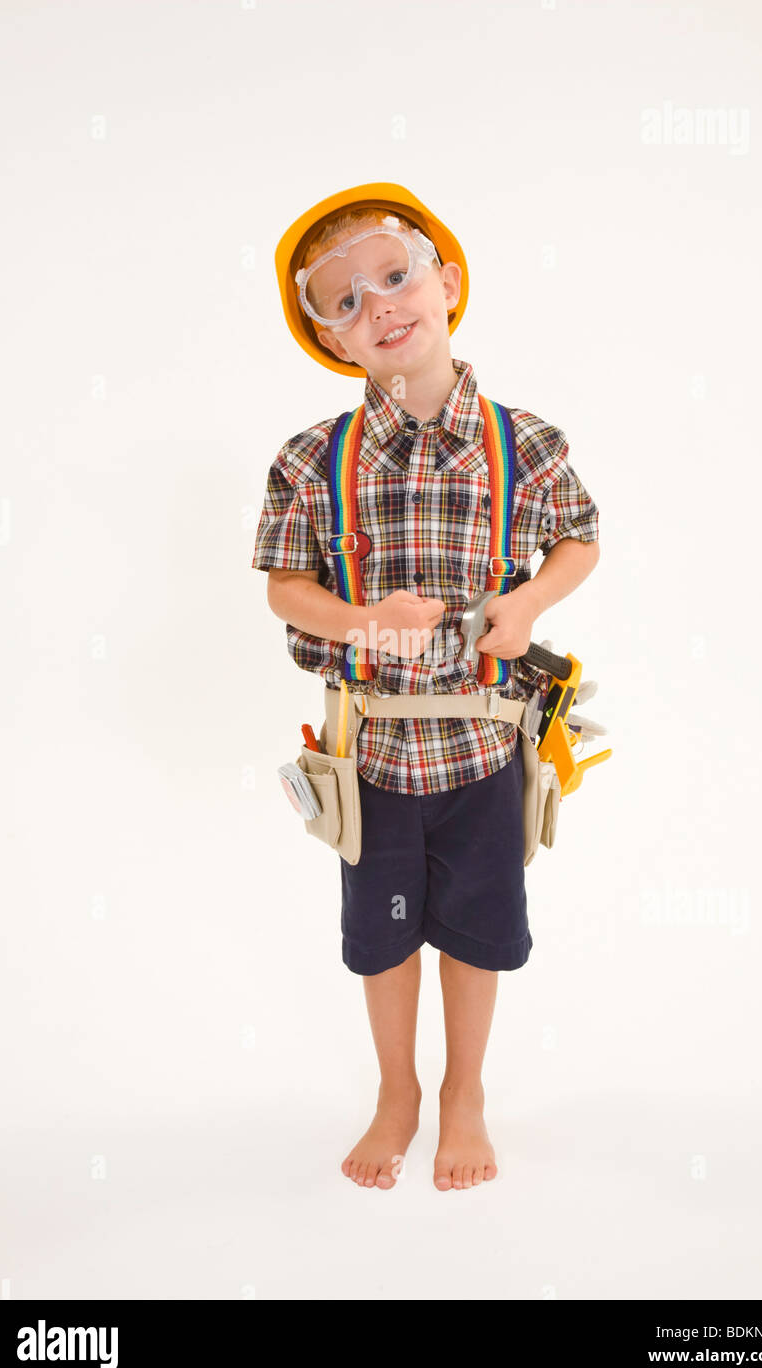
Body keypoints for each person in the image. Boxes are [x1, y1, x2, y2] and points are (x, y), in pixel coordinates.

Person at [252, 183, 600, 1192]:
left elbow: (580, 537)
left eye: (392, 273)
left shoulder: (522, 442)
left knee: (477, 930)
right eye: (343, 300)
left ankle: (464, 1093)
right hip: (370, 754)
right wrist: (359, 622)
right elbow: (285, 586)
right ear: (332, 341)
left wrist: (528, 601)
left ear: (445, 279)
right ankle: (396, 1090)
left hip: (487, 746)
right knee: (382, 937)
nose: (378, 304)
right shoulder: (312, 459)